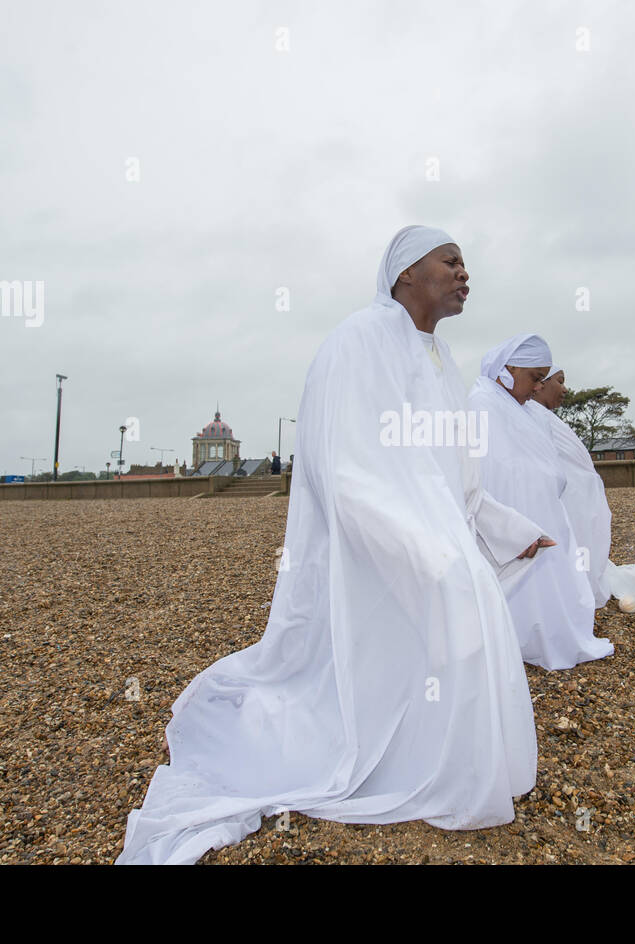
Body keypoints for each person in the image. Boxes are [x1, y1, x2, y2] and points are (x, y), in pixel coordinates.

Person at [115, 226, 553, 864]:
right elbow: (339, 461)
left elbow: (459, 477)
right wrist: (414, 544)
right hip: (369, 542)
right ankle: (385, 752)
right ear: (406, 273)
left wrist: (509, 532)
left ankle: (437, 756)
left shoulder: (441, 359)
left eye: (466, 264)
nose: (464, 273)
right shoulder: (359, 339)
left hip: (429, 535)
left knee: (461, 620)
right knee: (393, 642)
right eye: (450, 261)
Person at [468, 336, 614, 671]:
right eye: (535, 377)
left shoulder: (512, 405)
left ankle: (539, 627)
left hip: (538, 508)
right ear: (510, 368)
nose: (536, 387)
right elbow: (488, 469)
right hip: (510, 515)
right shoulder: (483, 403)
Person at [528, 368, 635, 615]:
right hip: (566, 503)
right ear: (540, 384)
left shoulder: (547, 417)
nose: (565, 389)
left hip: (581, 501)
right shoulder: (532, 417)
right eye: (560, 381)